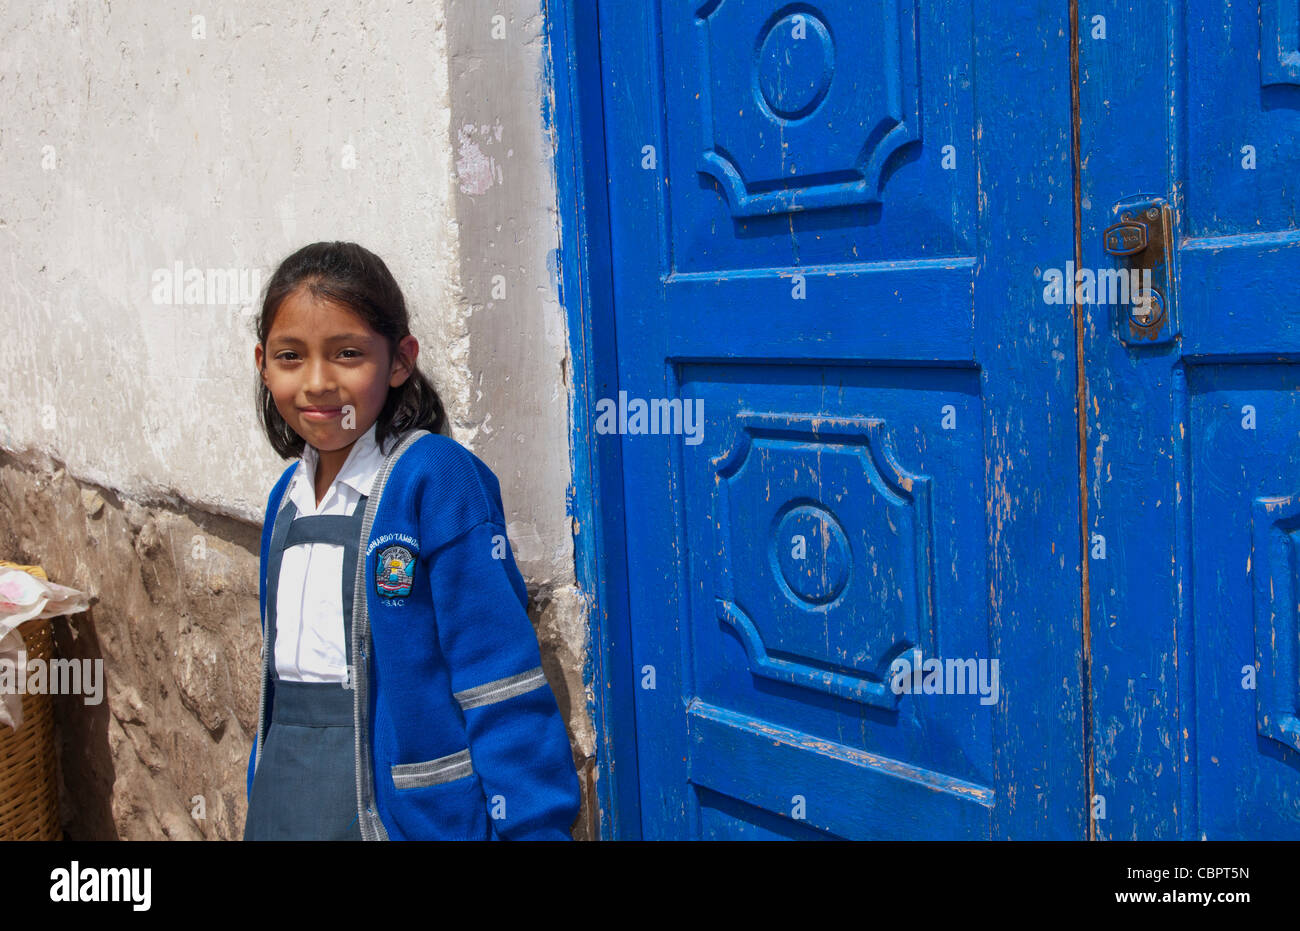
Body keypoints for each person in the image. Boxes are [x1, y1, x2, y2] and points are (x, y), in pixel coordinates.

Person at [242, 241, 580, 841]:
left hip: (410, 821)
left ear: (399, 361)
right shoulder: (284, 502)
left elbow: (499, 677)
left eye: (347, 354)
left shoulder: (437, 481)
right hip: (286, 810)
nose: (317, 383)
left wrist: (534, 826)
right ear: (264, 365)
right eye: (291, 356)